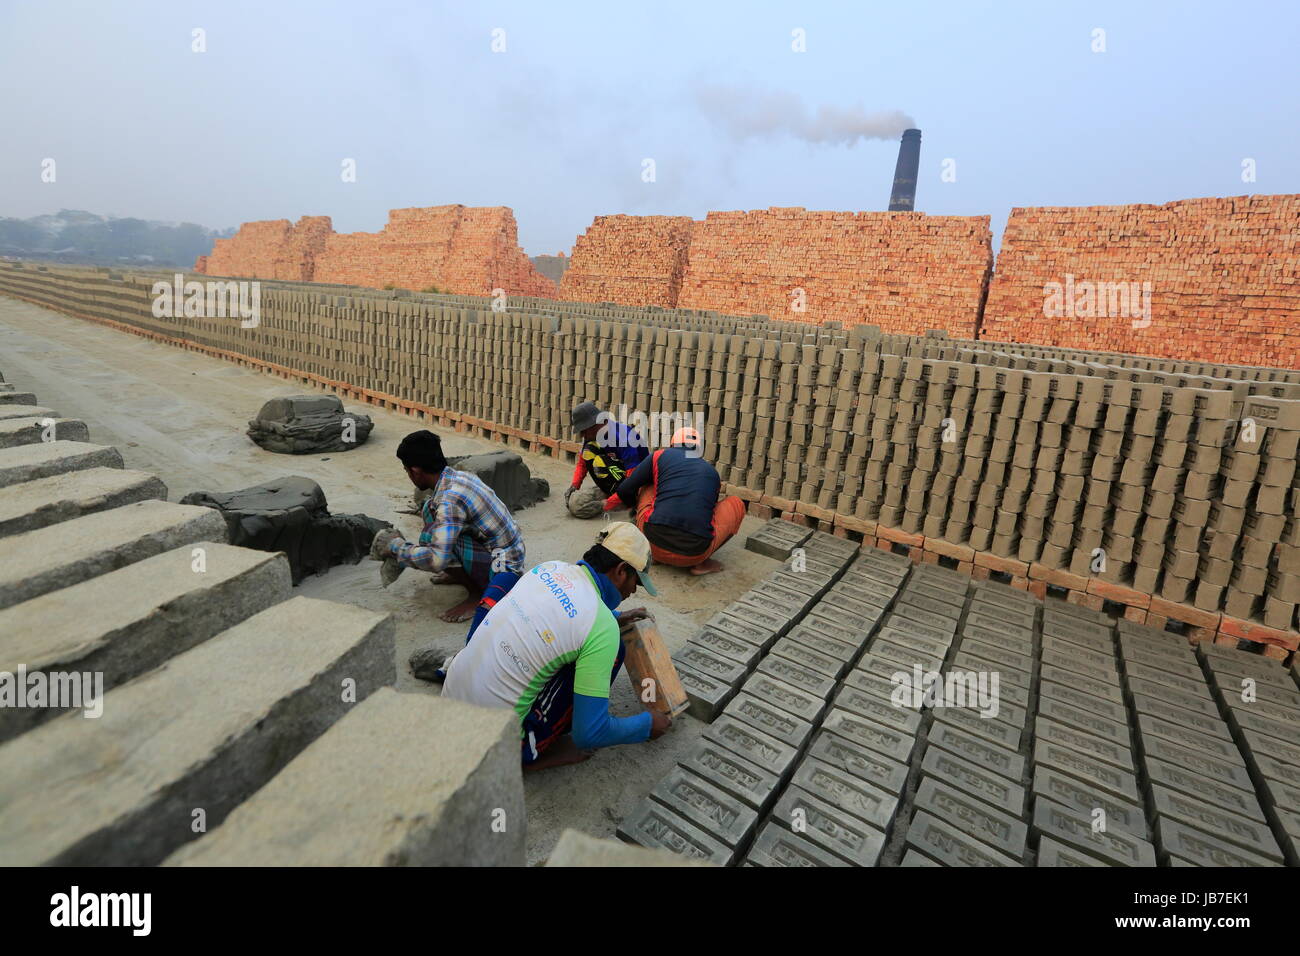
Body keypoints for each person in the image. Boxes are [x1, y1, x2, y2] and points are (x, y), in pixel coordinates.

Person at [440, 522, 671, 770]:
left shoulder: (550, 568)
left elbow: (560, 613)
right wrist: (647, 725)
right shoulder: (601, 626)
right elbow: (590, 734)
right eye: (636, 581)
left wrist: (614, 615)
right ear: (622, 570)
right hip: (494, 744)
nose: (633, 591)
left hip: (450, 700)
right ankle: (532, 750)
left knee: (507, 581)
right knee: (613, 651)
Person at [373, 430, 525, 623]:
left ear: (415, 471)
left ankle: (478, 593)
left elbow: (437, 560)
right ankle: (462, 573)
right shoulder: (458, 476)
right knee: (429, 508)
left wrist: (396, 547)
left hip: (503, 568)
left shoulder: (450, 501)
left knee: (432, 538)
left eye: (407, 470)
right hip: (505, 549)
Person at [612, 426, 745, 576]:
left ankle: (655, 555)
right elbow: (710, 511)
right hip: (694, 553)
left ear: (672, 444)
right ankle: (702, 563)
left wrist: (635, 510)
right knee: (736, 504)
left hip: (651, 542)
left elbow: (624, 490)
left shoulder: (660, 455)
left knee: (649, 481)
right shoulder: (711, 472)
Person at [565, 401, 649, 518]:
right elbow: (582, 464)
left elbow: (633, 479)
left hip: (637, 486)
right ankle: (614, 497)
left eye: (583, 431)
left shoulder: (623, 438)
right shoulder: (592, 436)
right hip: (616, 483)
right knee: (575, 504)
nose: (582, 435)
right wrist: (574, 486)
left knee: (600, 463)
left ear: (594, 424)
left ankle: (629, 502)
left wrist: (607, 504)